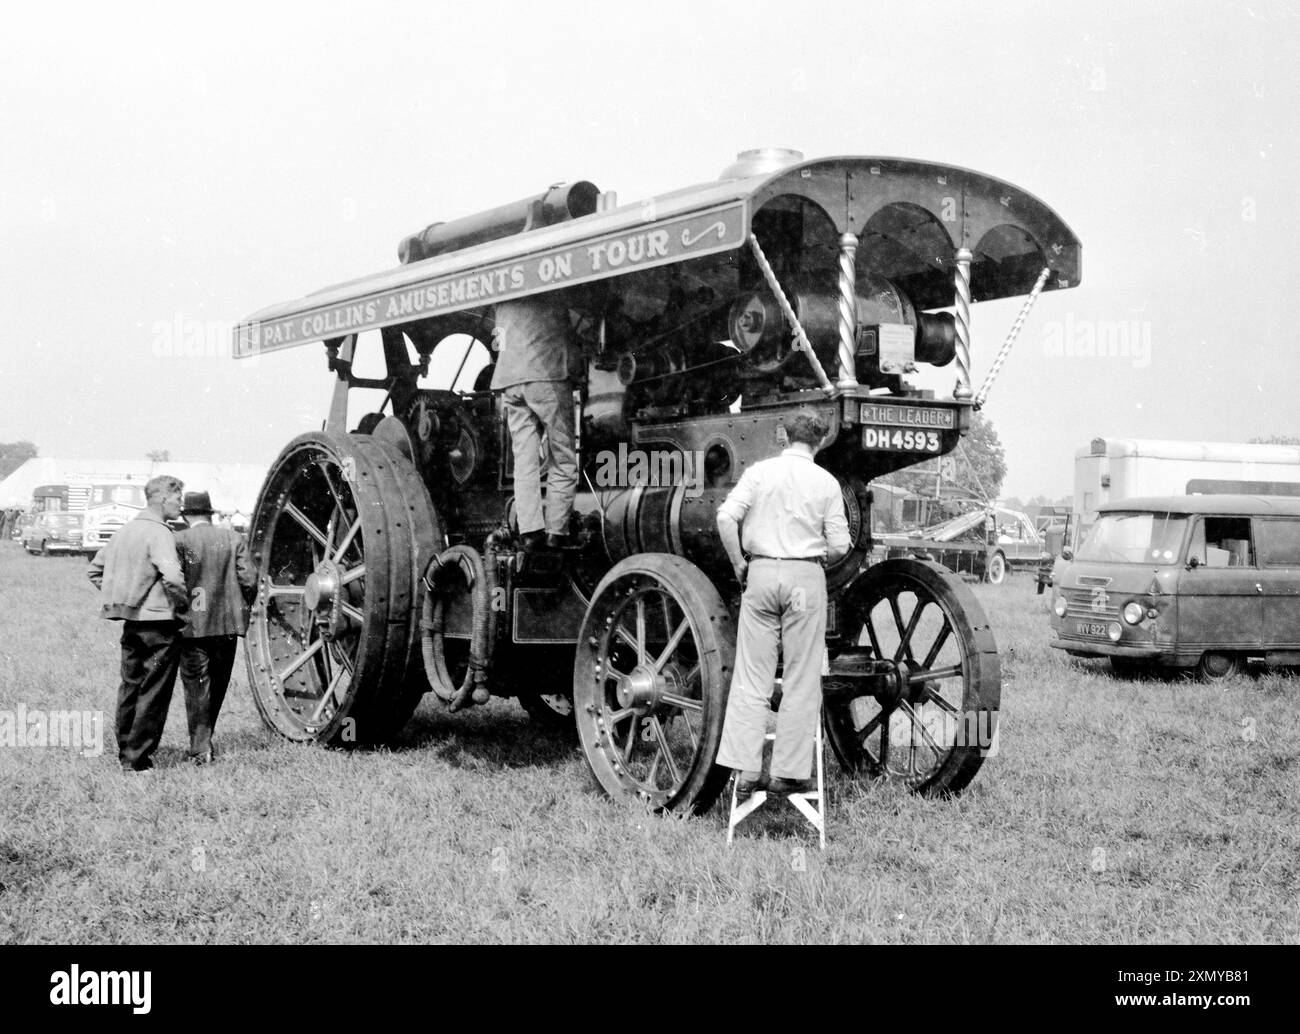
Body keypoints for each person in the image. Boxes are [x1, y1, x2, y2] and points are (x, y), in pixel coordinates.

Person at [714, 409, 851, 796]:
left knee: (751, 676)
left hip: (759, 574)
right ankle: (788, 772)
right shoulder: (826, 482)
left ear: (783, 436)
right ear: (821, 440)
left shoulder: (760, 472)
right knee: (801, 677)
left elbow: (726, 518)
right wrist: (818, 557)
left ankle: (745, 770)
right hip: (804, 579)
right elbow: (841, 545)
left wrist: (740, 563)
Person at [87, 475, 188, 772]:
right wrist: (180, 608)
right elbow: (172, 577)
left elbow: (95, 571)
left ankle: (125, 750)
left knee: (130, 686)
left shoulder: (125, 531)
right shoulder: (160, 533)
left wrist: (123, 598)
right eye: (177, 499)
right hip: (160, 625)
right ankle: (138, 759)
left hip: (131, 624)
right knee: (154, 691)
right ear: (161, 499)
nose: (179, 505)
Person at [491, 294, 582, 549]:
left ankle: (530, 531)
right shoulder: (552, 286)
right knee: (563, 457)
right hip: (547, 375)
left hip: (509, 380)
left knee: (524, 459)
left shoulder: (504, 296)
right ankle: (556, 532)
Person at [173, 491, 256, 765]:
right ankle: (204, 741)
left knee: (197, 686)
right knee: (218, 683)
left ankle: (200, 748)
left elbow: (174, 581)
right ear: (210, 513)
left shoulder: (180, 540)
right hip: (228, 624)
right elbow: (249, 580)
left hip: (193, 626)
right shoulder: (233, 538)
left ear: (186, 515)